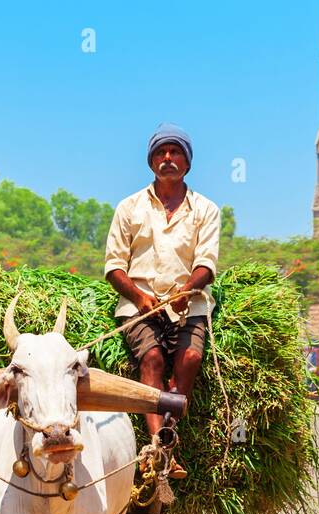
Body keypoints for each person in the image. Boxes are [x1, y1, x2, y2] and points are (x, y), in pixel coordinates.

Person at [104, 122, 221, 478]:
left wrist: (186, 291)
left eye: (175, 153)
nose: (167, 158)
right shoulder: (129, 207)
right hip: (137, 307)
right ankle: (161, 447)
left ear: (187, 163)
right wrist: (139, 297)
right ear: (151, 161)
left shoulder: (205, 209)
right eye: (160, 152)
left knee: (190, 357)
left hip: (190, 303)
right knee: (152, 358)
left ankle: (170, 425)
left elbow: (207, 263)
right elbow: (113, 267)